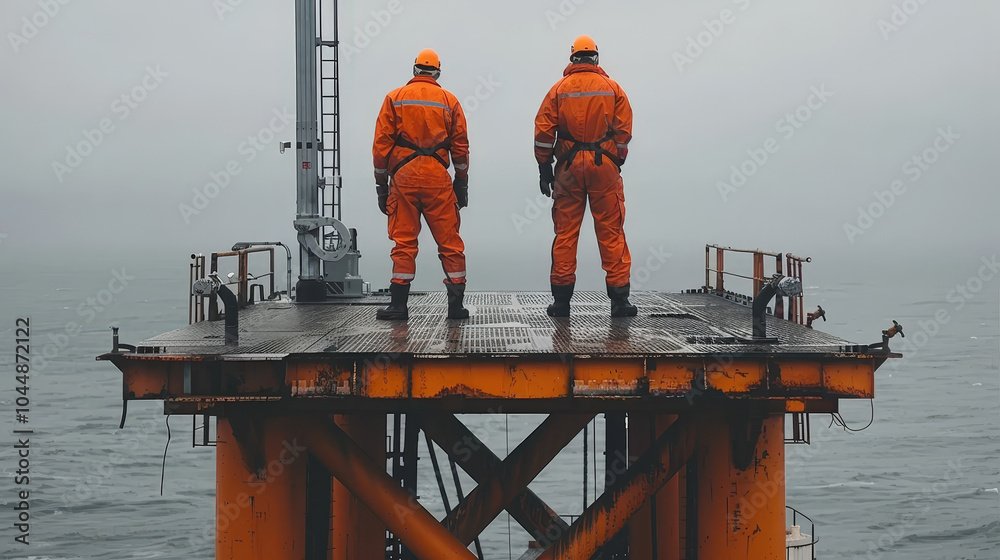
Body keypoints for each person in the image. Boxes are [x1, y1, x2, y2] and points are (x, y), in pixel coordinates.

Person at [534, 35, 637, 318]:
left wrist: (544, 167)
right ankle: (620, 301)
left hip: (567, 168)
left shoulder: (558, 90)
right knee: (611, 231)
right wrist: (616, 159)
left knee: (565, 233)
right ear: (596, 58)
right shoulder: (612, 89)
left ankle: (561, 302)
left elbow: (543, 133)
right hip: (604, 167)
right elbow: (624, 132)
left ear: (573, 58)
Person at [372, 48, 470, 321]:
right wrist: (461, 183)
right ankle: (456, 307)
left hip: (404, 178)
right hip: (438, 178)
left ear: (415, 69)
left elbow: (381, 147)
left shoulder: (394, 98)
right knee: (450, 242)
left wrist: (381, 186)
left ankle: (398, 306)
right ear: (437, 72)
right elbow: (460, 147)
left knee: (404, 242)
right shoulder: (449, 101)